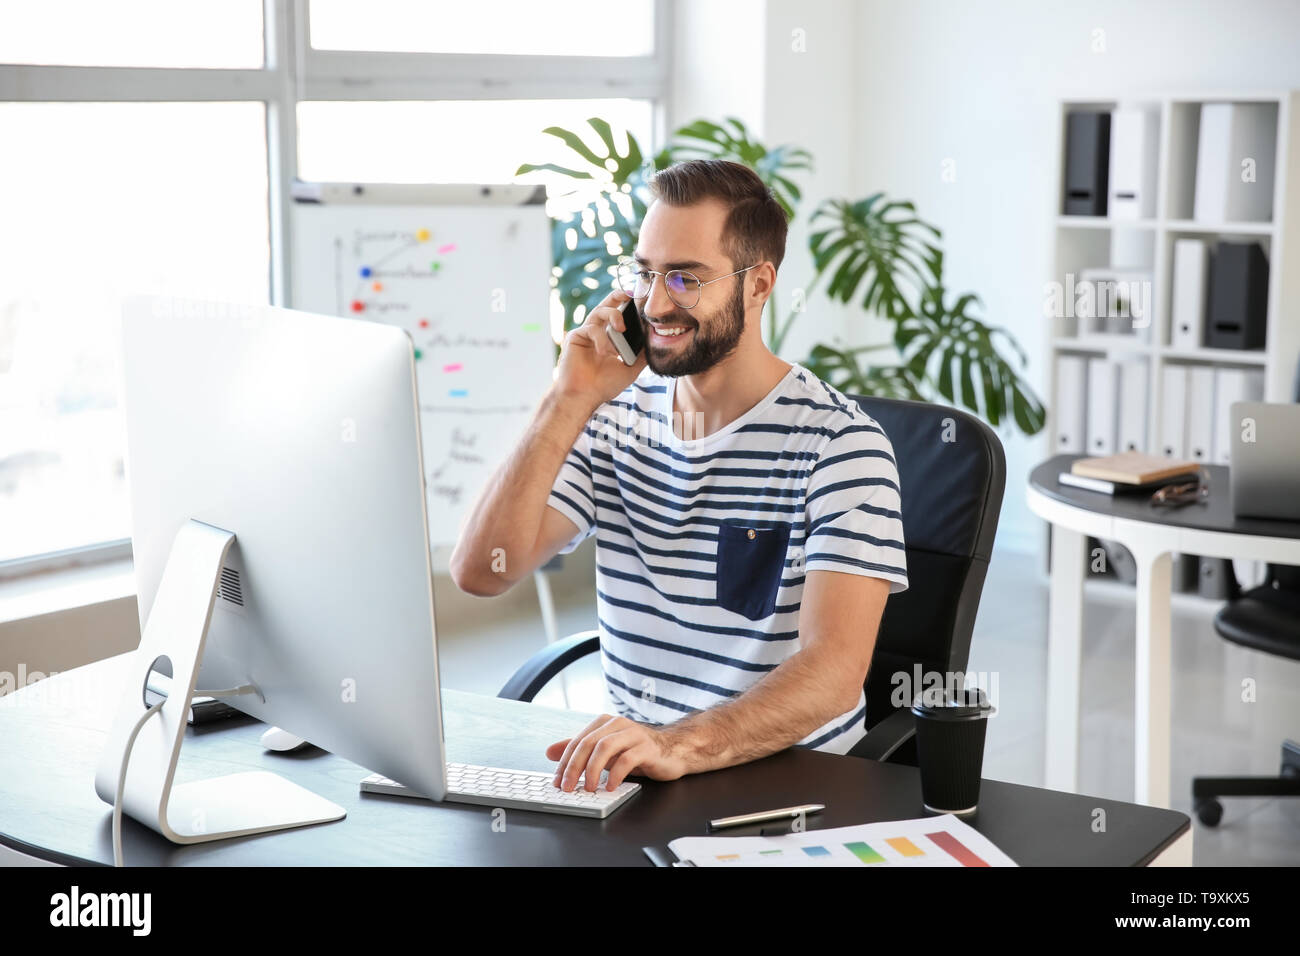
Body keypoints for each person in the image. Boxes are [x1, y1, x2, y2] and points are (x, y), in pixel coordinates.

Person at [450, 158, 908, 794]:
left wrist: (677, 744)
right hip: (640, 772)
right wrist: (568, 398)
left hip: (789, 782)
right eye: (645, 273)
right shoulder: (611, 416)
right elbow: (482, 573)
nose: (656, 303)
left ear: (759, 284)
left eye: (686, 279)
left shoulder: (841, 444)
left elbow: (834, 672)